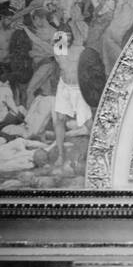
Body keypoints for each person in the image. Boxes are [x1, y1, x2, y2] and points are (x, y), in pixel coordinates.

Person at [51, 30, 92, 170]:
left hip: (78, 88)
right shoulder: (59, 48)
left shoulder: (80, 49)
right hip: (64, 87)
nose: (66, 40)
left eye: (69, 36)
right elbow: (62, 64)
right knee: (60, 119)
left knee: (87, 121)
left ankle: (97, 150)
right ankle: (61, 155)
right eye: (63, 37)